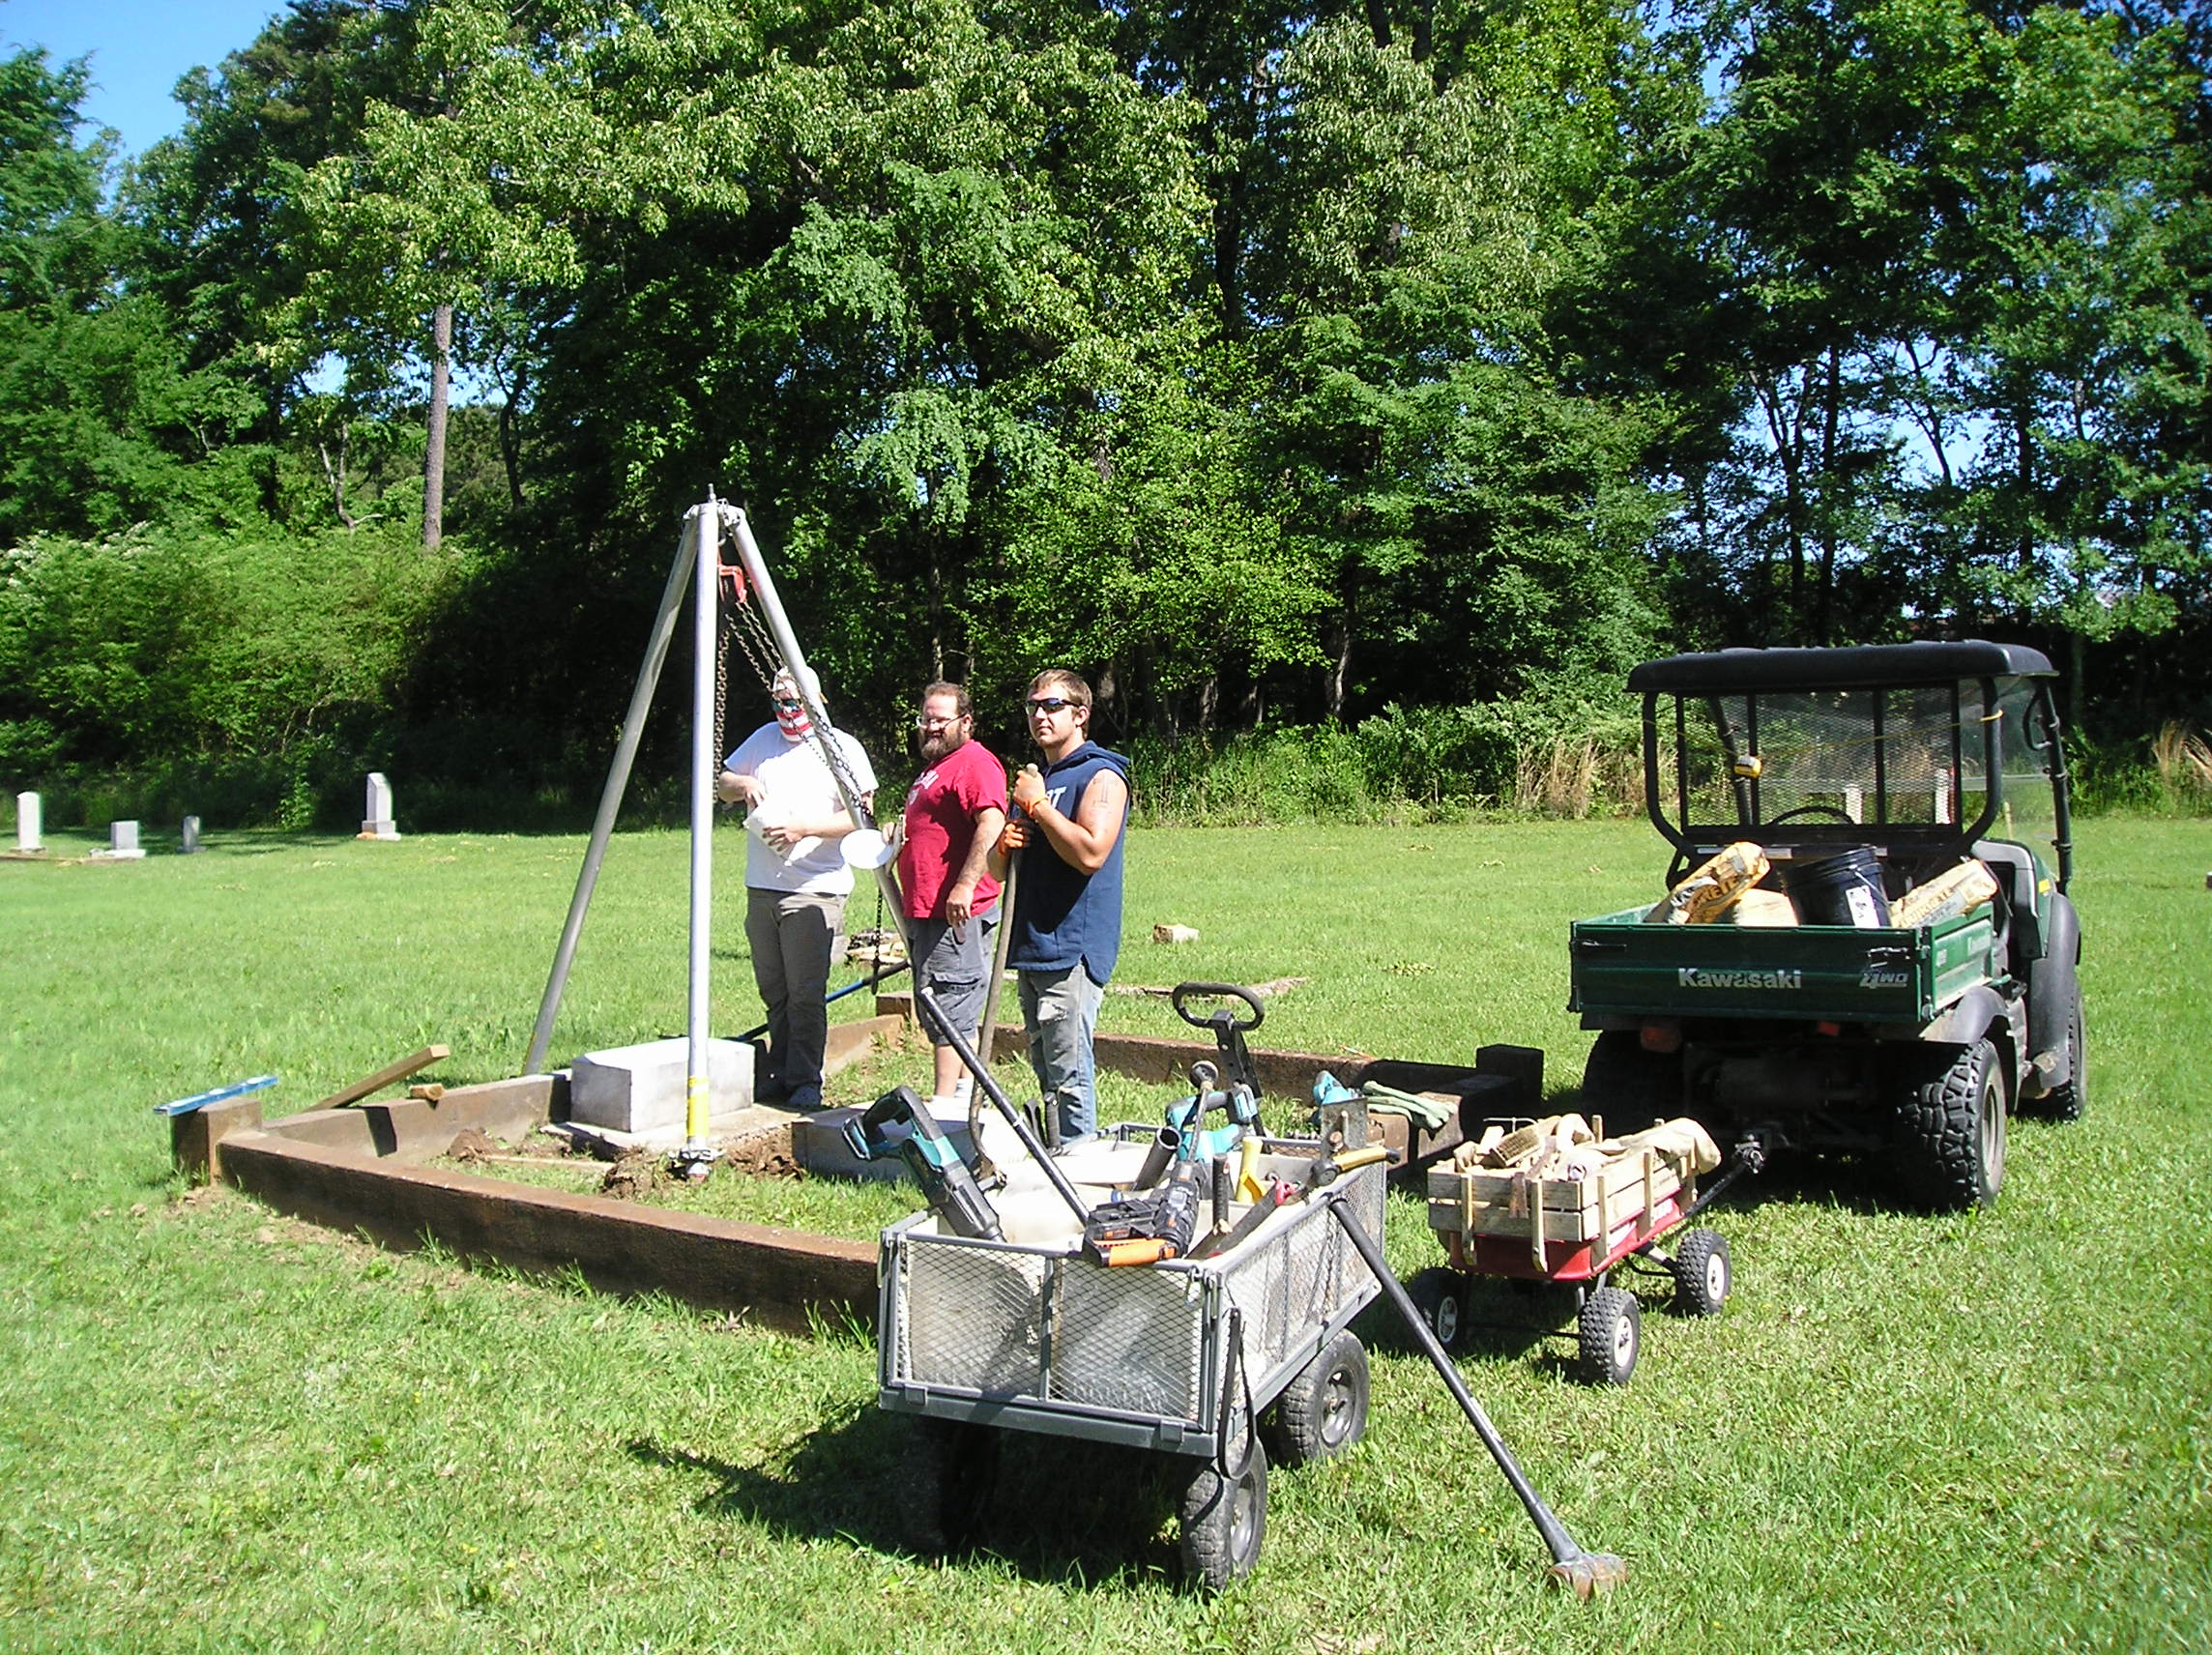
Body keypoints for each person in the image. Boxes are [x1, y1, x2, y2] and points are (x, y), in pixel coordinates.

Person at [718, 666, 876, 1110]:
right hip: (763, 886)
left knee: (806, 991)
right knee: (775, 989)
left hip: (816, 888)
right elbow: (724, 783)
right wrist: (745, 783)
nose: (786, 710)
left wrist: (804, 829)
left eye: (795, 701)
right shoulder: (764, 740)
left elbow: (859, 817)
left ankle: (806, 1079)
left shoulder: (841, 747)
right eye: (779, 700)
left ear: (817, 700)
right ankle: (782, 1070)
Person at [990, 669, 1130, 1145]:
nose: (1039, 715)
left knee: (1070, 1073)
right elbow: (994, 870)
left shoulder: (1101, 773)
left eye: (1051, 705)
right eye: (1032, 706)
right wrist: (1004, 845)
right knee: (1046, 1070)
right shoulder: (1036, 780)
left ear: (1081, 714)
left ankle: (1079, 1167)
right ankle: (1059, 1156)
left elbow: (1091, 854)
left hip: (1071, 945)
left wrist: (1038, 809)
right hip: (1031, 943)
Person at [897, 682, 1008, 1105]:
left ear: (965, 722)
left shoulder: (974, 763)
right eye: (926, 719)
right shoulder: (935, 768)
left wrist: (964, 884)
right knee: (943, 1000)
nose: (931, 727)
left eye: (940, 720)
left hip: (957, 911)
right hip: (927, 907)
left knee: (949, 1002)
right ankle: (965, 1093)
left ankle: (943, 1104)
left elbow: (991, 822)